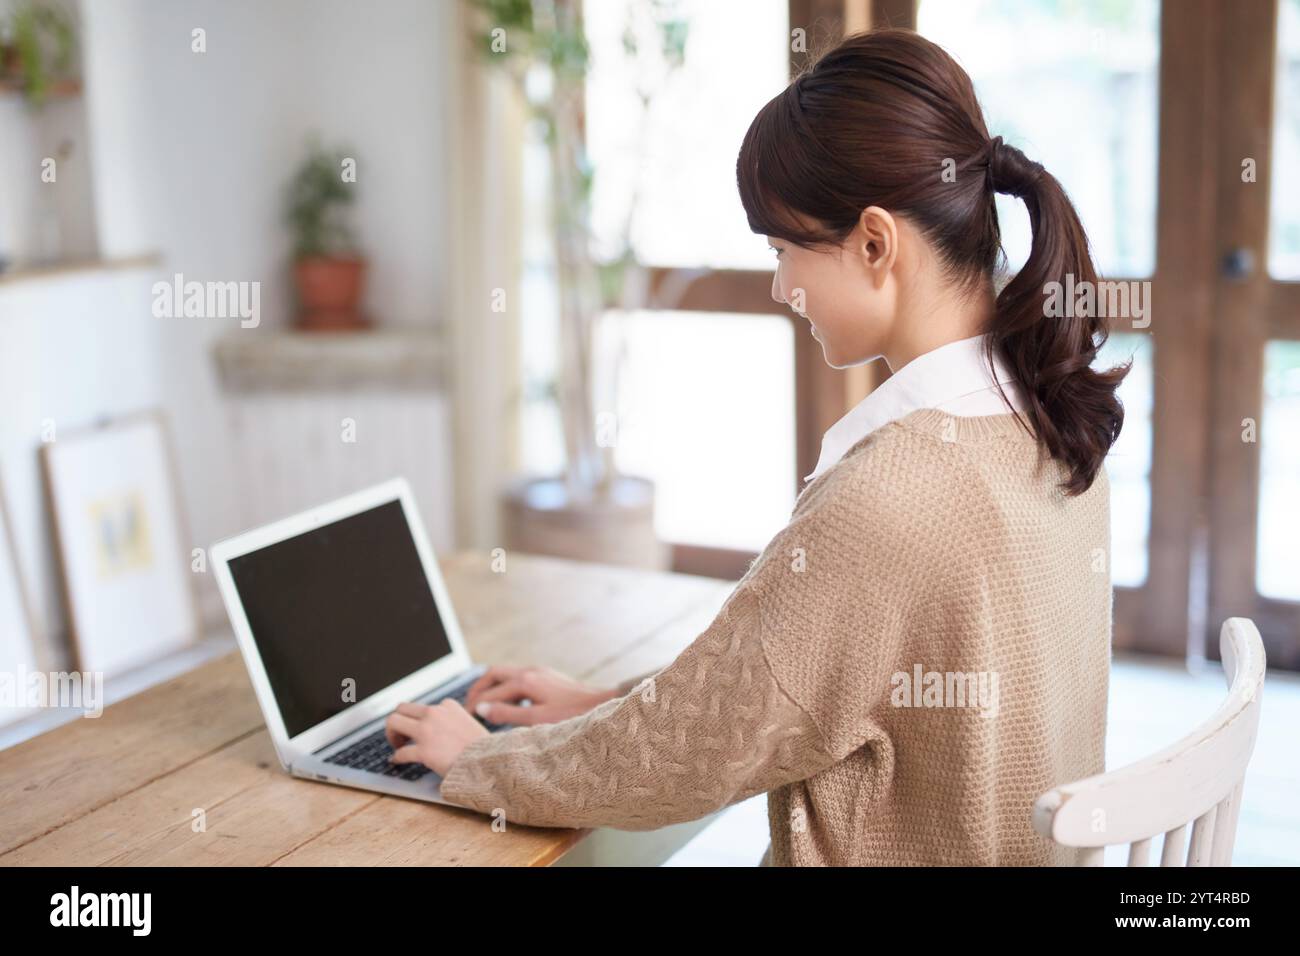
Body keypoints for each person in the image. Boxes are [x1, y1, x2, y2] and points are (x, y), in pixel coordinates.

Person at [384, 28, 1128, 866]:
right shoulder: (1053, 418)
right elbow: (784, 691)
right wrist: (599, 705)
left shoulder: (895, 493)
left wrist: (482, 759)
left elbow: (695, 754)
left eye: (783, 248)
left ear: (876, 243)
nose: (781, 287)